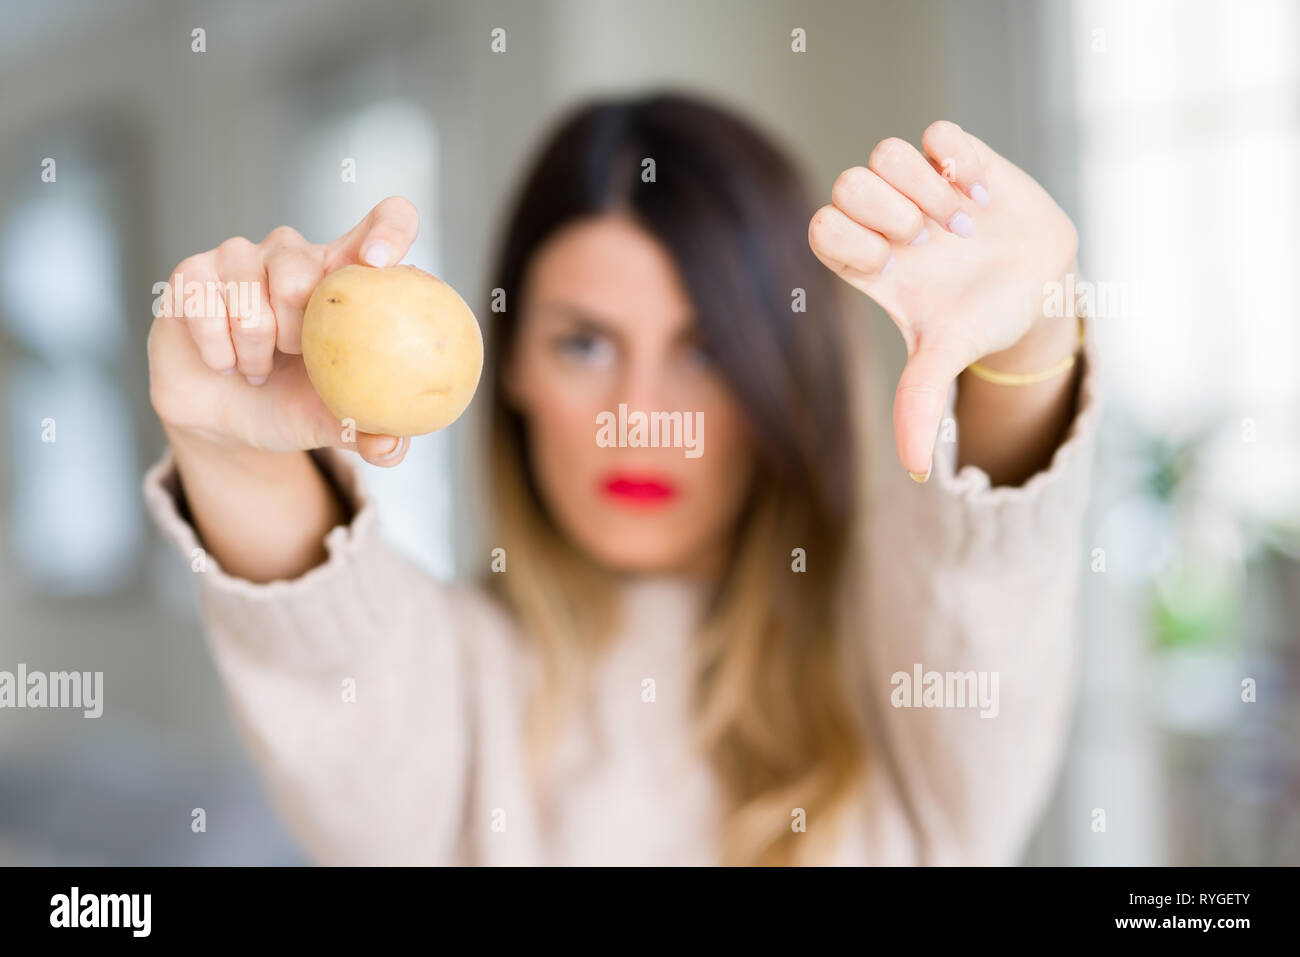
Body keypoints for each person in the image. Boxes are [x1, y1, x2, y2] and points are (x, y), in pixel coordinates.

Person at [143, 91, 1099, 865]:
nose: (638, 411)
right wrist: (234, 445)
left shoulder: (893, 668)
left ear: (786, 379)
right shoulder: (451, 692)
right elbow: (322, 648)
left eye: (707, 350)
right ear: (509, 362)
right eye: (586, 343)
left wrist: (1029, 340)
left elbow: (985, 583)